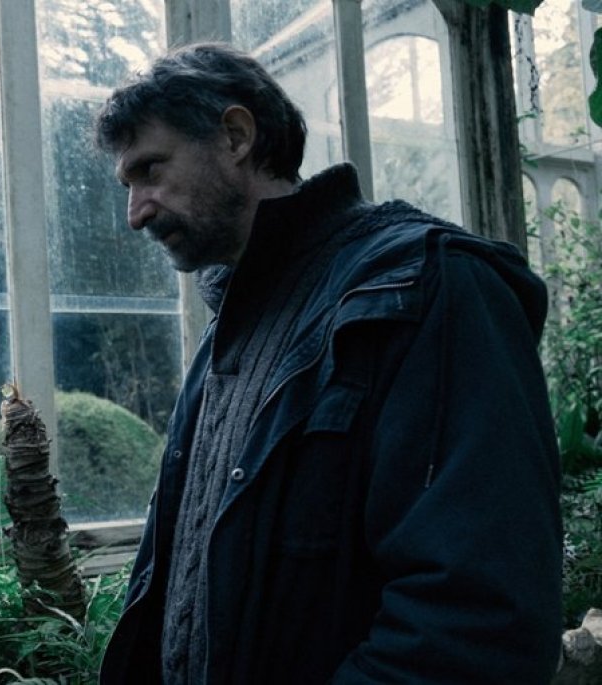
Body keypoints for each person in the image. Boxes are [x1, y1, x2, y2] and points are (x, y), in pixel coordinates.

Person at [93, 43, 562, 684]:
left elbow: (477, 621)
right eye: (127, 185)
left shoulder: (428, 287)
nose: (135, 213)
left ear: (236, 136)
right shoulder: (234, 327)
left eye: (150, 169)